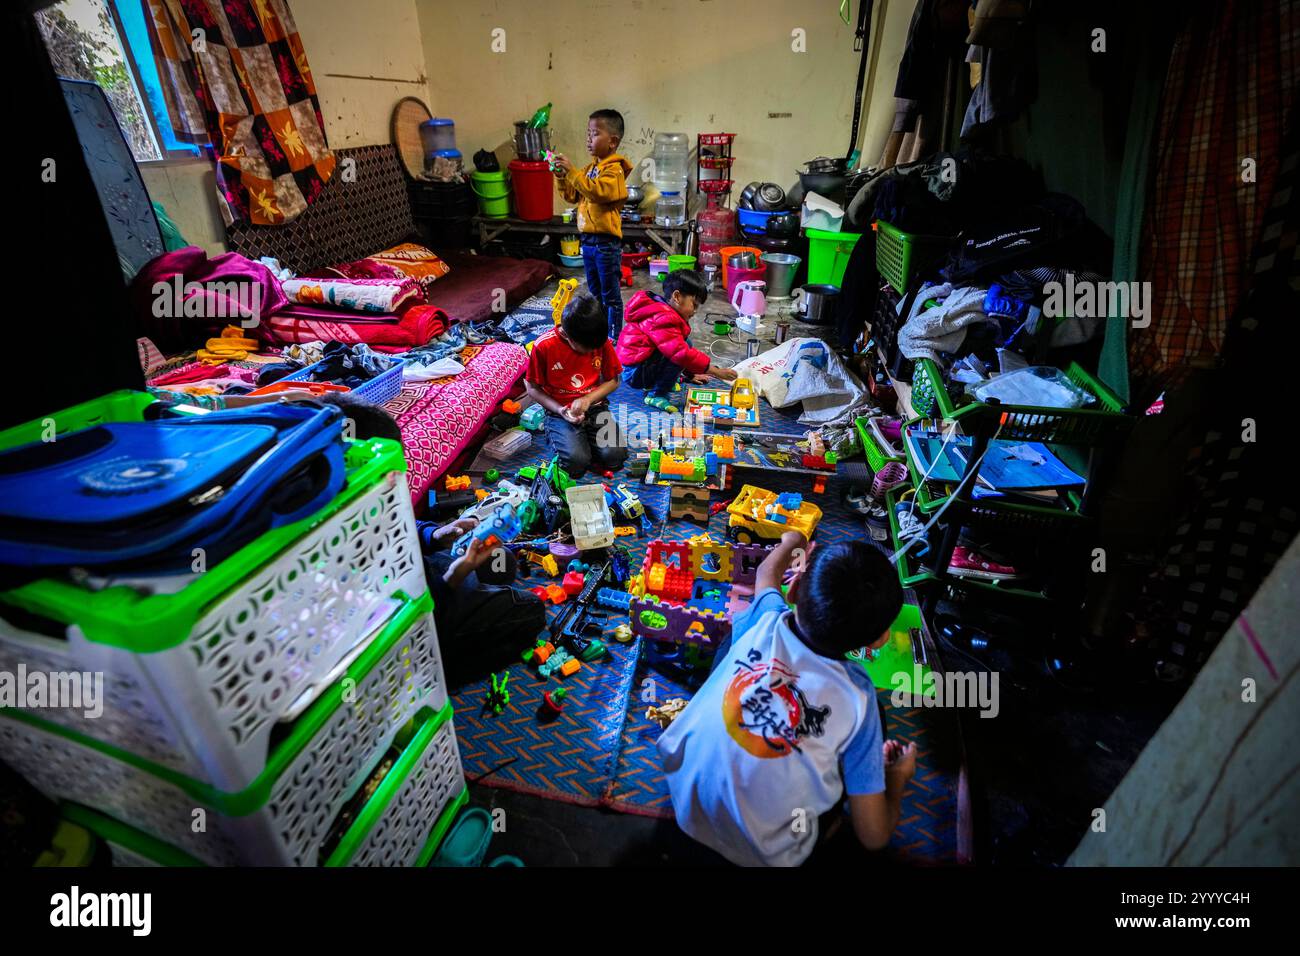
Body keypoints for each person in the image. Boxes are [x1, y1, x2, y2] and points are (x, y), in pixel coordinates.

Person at [658, 533, 918, 866]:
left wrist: (792, 541)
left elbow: (766, 573)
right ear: (879, 640)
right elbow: (874, 835)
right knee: (864, 726)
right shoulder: (859, 696)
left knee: (735, 638)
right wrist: (896, 780)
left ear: (793, 590)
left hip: (685, 803)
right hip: (767, 855)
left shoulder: (767, 619)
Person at [416, 521, 546, 688]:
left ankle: (483, 596)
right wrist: (451, 580)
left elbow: (401, 525)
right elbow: (405, 618)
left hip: (426, 568)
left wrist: (432, 534)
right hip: (427, 615)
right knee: (534, 611)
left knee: (503, 560)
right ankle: (442, 670)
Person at [523, 293, 628, 479]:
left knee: (615, 457)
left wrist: (588, 399)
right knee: (575, 464)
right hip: (559, 411)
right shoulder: (544, 346)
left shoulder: (599, 340)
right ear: (568, 335)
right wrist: (560, 410)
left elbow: (613, 381)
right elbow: (531, 388)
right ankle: (562, 434)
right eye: (586, 348)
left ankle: (585, 440)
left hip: (595, 406)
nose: (591, 351)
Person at [553, 108, 632, 340]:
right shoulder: (590, 169)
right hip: (587, 242)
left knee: (610, 295)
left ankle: (614, 338)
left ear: (613, 142)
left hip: (606, 244)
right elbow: (572, 195)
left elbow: (597, 193)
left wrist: (573, 173)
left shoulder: (614, 171)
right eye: (588, 133)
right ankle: (599, 333)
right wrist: (561, 176)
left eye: (595, 134)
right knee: (595, 292)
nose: (588, 139)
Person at [616, 268, 737, 413]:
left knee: (684, 344)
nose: (695, 311)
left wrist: (690, 373)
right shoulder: (662, 318)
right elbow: (681, 354)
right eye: (694, 304)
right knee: (681, 351)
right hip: (635, 374)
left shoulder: (662, 310)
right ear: (677, 296)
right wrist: (716, 372)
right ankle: (656, 394)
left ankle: (664, 380)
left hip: (639, 366)